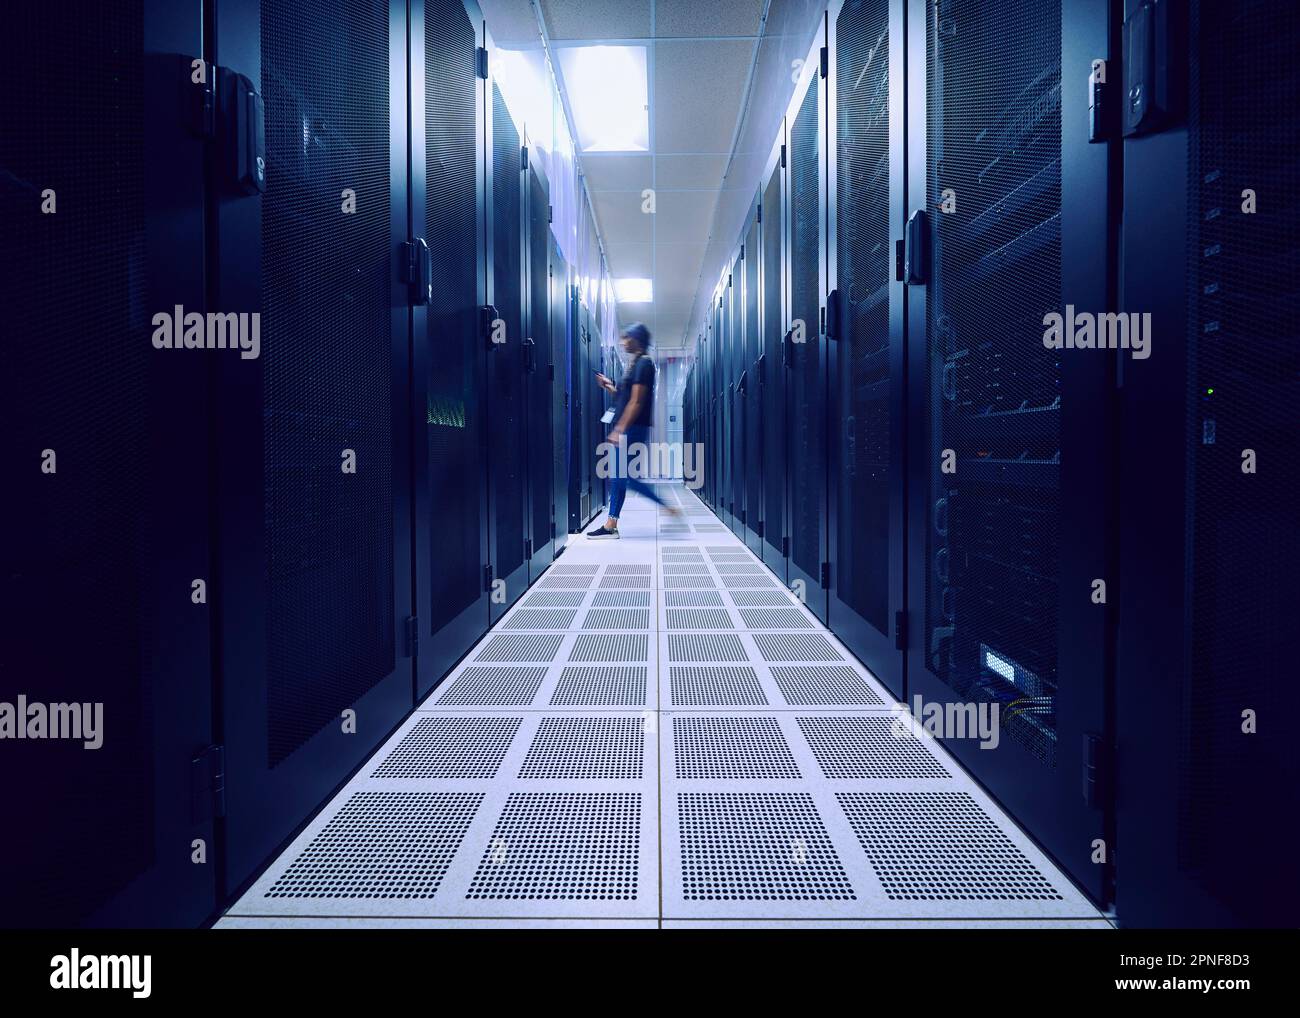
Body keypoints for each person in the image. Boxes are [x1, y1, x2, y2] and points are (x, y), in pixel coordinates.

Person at [586, 323, 682, 539]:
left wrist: (619, 429)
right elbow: (624, 398)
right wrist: (609, 385)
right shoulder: (635, 364)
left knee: (624, 477)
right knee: (619, 476)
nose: (622, 342)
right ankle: (611, 524)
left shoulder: (644, 364)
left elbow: (636, 402)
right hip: (629, 427)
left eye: (626, 337)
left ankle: (666, 506)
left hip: (632, 428)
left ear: (637, 339)